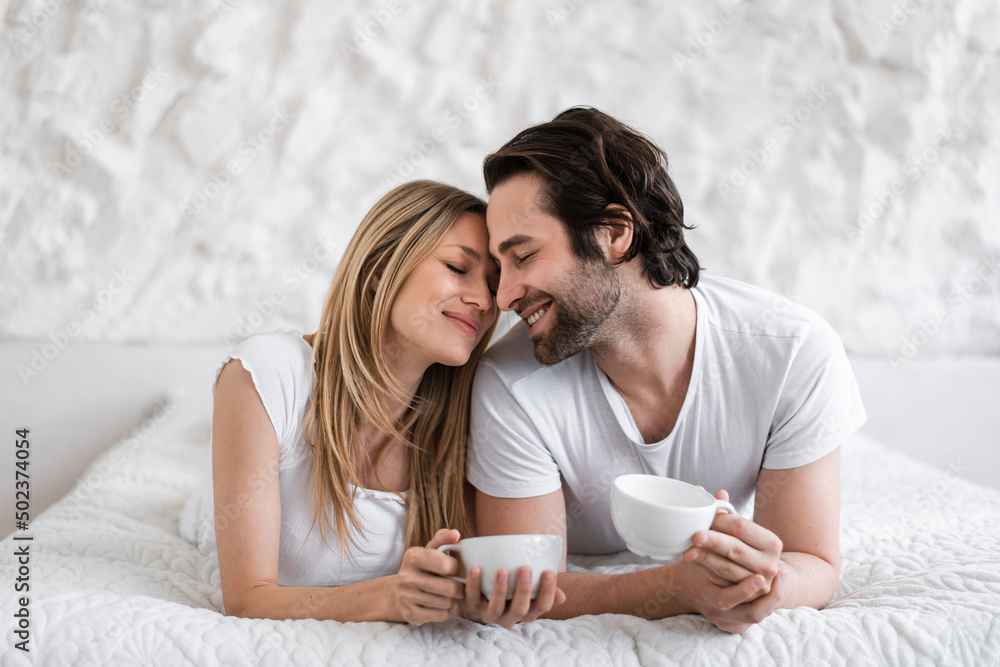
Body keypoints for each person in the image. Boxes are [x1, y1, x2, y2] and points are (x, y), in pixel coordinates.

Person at [467, 108, 867, 633]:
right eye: (499, 269)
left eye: (523, 256)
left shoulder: (792, 353)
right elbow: (532, 586)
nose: (502, 298)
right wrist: (679, 589)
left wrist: (760, 586)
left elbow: (811, 561)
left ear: (615, 232)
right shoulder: (510, 384)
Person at [179, 180, 563, 627]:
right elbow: (247, 601)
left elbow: (467, 576)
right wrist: (387, 597)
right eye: (458, 267)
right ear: (380, 270)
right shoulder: (266, 372)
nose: (483, 301)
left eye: (493, 285)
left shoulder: (471, 414)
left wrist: (459, 593)